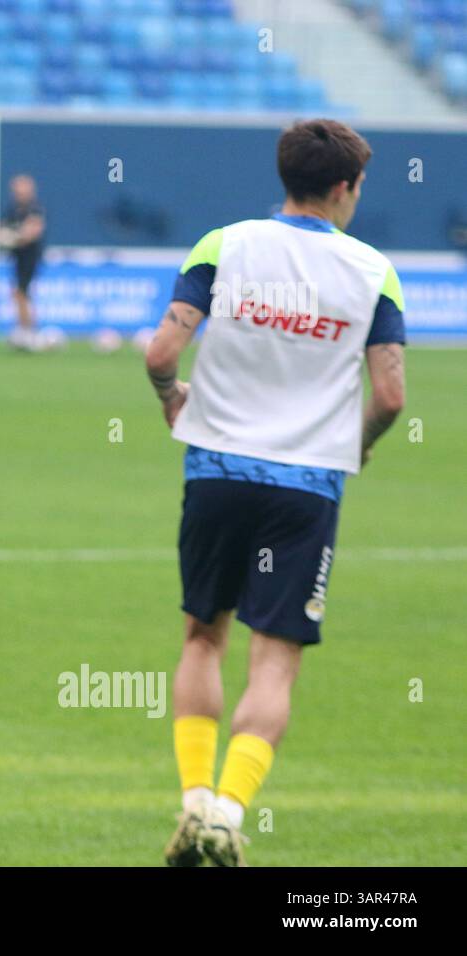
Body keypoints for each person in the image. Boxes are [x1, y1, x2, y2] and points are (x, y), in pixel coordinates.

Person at [145, 119, 407, 866]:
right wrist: (346, 448)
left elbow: (162, 350)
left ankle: (193, 802)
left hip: (217, 471)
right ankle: (228, 813)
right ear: (345, 188)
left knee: (203, 635)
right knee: (276, 658)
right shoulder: (371, 270)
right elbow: (390, 396)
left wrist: (171, 395)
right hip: (307, 487)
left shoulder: (224, 245)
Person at [0, 174, 46, 350]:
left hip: (30, 257)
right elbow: (1, 229)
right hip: (17, 256)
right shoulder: (12, 209)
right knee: (17, 293)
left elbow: (32, 231)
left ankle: (29, 332)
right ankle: (23, 329)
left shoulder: (35, 208)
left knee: (22, 293)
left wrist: (13, 237)